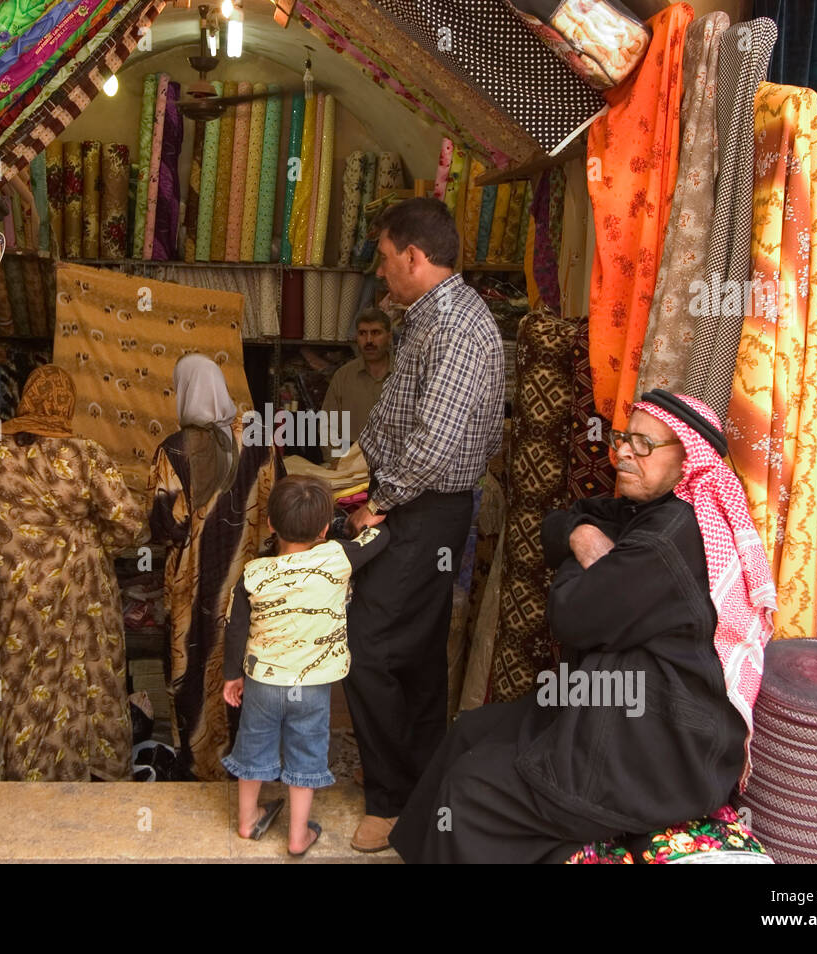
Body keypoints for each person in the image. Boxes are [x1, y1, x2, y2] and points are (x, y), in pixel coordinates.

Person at [389, 391, 777, 863]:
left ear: (687, 459)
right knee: (470, 730)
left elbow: (571, 616)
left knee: (469, 794)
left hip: (659, 749)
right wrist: (583, 537)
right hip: (621, 703)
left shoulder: (665, 542)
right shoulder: (656, 509)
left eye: (643, 444)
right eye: (622, 439)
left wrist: (582, 552)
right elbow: (564, 520)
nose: (624, 453)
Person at [342, 197, 505, 852]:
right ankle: (419, 790)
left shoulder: (458, 326)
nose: (381, 273)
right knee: (411, 652)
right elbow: (396, 416)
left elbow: (434, 443)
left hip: (425, 509)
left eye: (384, 260)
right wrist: (353, 473)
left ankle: (389, 800)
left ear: (414, 256)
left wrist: (380, 502)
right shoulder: (425, 318)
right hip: (412, 501)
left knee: (368, 646)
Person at [0, 364, 144, 782]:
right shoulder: (85, 454)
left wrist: (0, 538)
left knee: (22, 680)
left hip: (17, 594)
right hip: (84, 589)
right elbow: (129, 521)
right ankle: (97, 771)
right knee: (92, 676)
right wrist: (88, 542)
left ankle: (25, 778)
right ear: (66, 405)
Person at [220, 475, 390, 855]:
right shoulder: (338, 556)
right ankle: (298, 834)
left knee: (253, 747)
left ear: (270, 525)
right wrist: (364, 519)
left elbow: (235, 630)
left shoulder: (253, 575)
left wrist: (232, 676)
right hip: (312, 687)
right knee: (306, 751)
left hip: (263, 682)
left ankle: (248, 821)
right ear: (325, 527)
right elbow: (380, 540)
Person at [148, 353, 283, 781]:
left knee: (196, 667)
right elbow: (276, 510)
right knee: (251, 664)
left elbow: (166, 524)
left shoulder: (174, 449)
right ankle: (255, 764)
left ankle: (202, 765)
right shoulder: (259, 438)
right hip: (252, 579)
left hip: (196, 588)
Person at [320, 308, 394, 461]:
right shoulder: (343, 376)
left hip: (394, 460)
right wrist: (336, 462)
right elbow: (327, 425)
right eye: (362, 333)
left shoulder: (405, 374)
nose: (369, 341)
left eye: (376, 333)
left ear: (389, 337)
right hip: (350, 458)